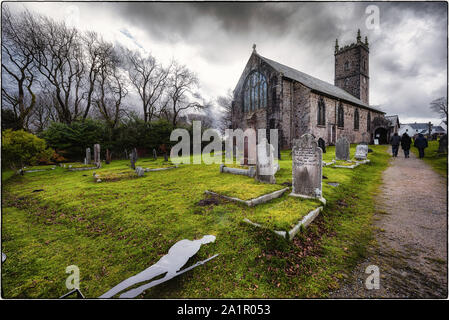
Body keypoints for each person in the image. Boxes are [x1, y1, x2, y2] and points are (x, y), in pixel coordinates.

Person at [99, 235, 216, 298]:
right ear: (202, 237)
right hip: (164, 263)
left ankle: (127, 295)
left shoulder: (196, 247)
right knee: (136, 279)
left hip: (172, 267)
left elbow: (184, 258)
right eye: (207, 239)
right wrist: (173, 265)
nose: (205, 241)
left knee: (149, 284)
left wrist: (175, 269)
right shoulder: (186, 242)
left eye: (208, 241)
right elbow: (174, 251)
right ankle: (106, 296)